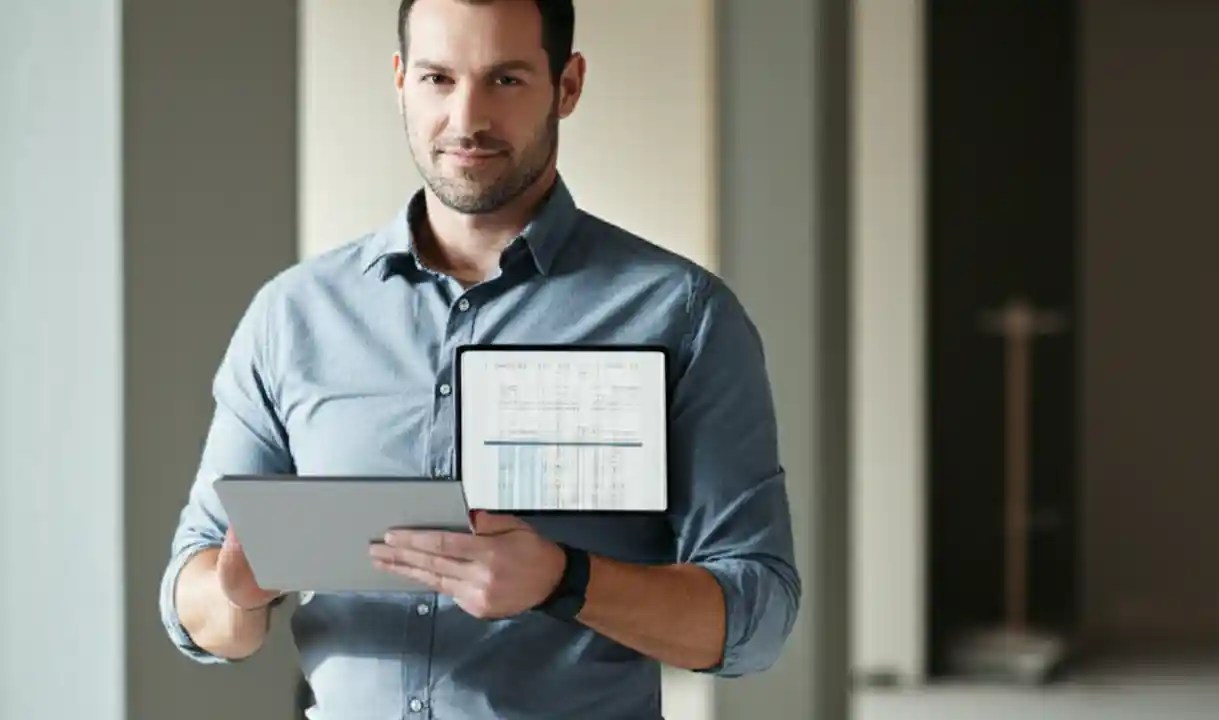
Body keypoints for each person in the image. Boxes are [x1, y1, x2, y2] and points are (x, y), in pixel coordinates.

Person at [158, 0, 799, 717]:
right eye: (438, 78)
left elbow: (758, 614)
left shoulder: (680, 315)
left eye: (506, 80)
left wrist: (566, 579)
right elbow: (194, 593)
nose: (466, 119)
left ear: (569, 85)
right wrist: (237, 595)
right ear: (400, 79)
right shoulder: (293, 316)